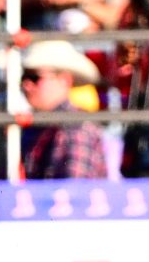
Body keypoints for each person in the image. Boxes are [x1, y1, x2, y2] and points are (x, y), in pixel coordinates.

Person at [19, 39, 112, 179]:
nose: (26, 85)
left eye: (34, 77)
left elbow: (75, 192)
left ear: (64, 79)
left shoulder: (76, 127)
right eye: (24, 77)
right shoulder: (40, 127)